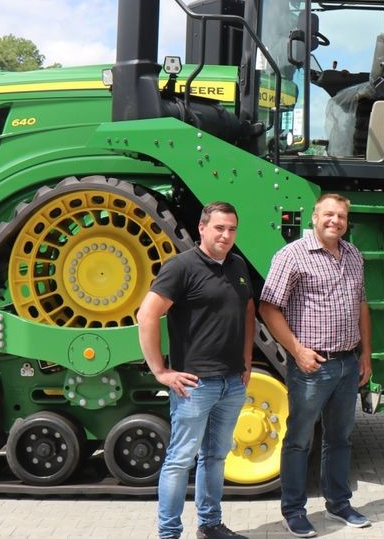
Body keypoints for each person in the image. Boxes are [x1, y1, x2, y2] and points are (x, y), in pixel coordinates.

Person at [136, 201, 255, 539]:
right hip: (195, 384)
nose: (226, 234)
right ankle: (169, 533)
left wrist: (245, 360)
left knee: (216, 457)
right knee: (180, 460)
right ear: (202, 228)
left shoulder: (238, 265)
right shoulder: (181, 267)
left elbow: (248, 310)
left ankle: (210, 525)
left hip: (231, 382)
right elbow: (147, 316)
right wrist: (160, 371)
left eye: (232, 229)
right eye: (219, 228)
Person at [260, 193, 373, 537]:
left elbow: (362, 305)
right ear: (314, 216)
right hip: (313, 366)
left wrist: (365, 354)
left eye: (340, 216)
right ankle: (293, 510)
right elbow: (268, 307)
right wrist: (297, 351)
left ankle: (339, 503)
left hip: (347, 363)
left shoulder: (354, 255)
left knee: (340, 438)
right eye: (328, 214)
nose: (335, 221)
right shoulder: (291, 255)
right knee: (299, 440)